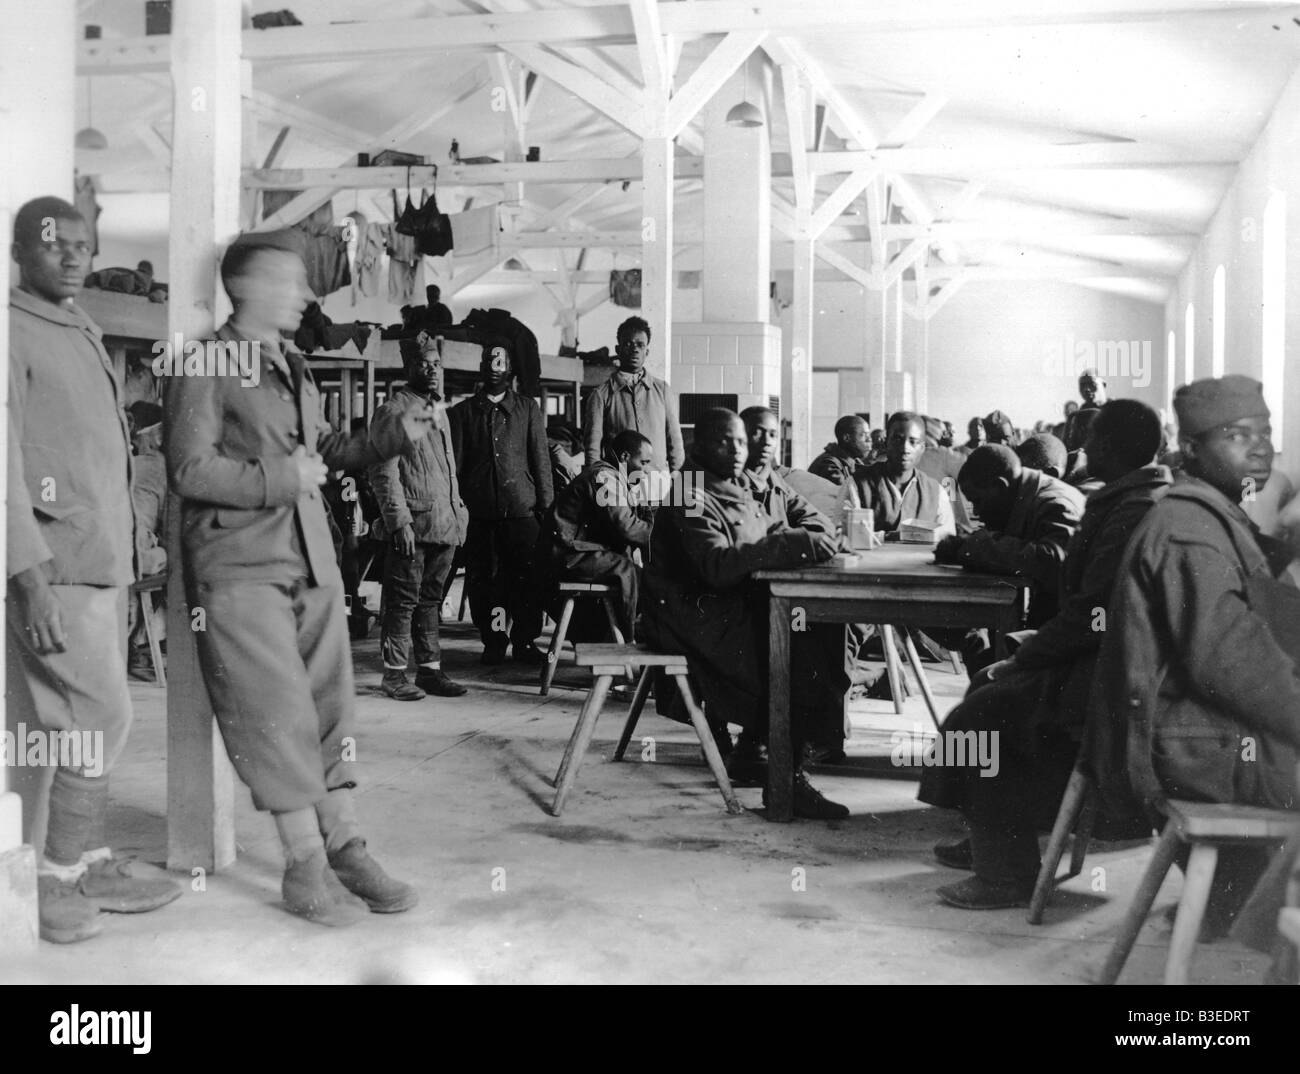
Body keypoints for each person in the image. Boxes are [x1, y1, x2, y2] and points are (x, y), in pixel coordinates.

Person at [166, 234, 435, 926]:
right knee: (274, 709)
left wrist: (391, 435)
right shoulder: (206, 360)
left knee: (327, 705)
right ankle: (301, 862)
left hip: (310, 557)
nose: (306, 296)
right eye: (290, 283)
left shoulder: (289, 361)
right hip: (240, 565)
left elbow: (323, 455)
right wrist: (278, 480)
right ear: (248, 288)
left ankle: (347, 845)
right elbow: (189, 469)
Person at [8, 196, 183, 944]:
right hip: (57, 568)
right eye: (57, 246)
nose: (74, 257)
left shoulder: (76, 324)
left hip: (98, 562)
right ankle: (53, 879)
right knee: (99, 718)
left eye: (83, 245)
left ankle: (93, 859)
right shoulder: (12, 331)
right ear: (20, 251)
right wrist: (27, 575)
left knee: (79, 726)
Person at [918, 400, 1172, 908]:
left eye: (1094, 438)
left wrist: (1030, 657)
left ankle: (1005, 876)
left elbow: (1092, 615)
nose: (1083, 447)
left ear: (1116, 449)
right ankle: (994, 843)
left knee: (979, 716)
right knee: (988, 684)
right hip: (1111, 658)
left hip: (1117, 677)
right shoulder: (1135, 498)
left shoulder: (1132, 511)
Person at [1086, 376, 1300, 935]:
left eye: (1265, 432)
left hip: (1198, 734)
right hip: (1191, 751)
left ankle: (1235, 901)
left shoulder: (1211, 514)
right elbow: (1234, 664)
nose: (1258, 446)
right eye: (1235, 434)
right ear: (1191, 450)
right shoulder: (1189, 530)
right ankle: (1258, 918)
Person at [643, 408, 850, 819]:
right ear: (699, 444)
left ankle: (774, 757)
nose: (737, 450)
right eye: (725, 441)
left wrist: (790, 538)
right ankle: (784, 783)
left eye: (741, 441)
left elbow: (768, 531)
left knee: (820, 632)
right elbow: (716, 566)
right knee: (792, 654)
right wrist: (793, 544)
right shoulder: (689, 489)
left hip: (729, 604)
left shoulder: (735, 482)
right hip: (692, 616)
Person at [369, 333, 469, 701]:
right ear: (408, 366)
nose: (432, 370)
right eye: (424, 363)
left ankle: (429, 671)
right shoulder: (394, 410)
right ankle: (394, 676)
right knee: (402, 602)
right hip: (413, 528)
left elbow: (444, 471)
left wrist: (459, 517)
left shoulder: (433, 410)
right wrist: (399, 522)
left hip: (443, 525)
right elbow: (383, 471)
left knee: (429, 602)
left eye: (437, 364)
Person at [449, 341, 553, 664]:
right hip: (480, 515)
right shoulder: (463, 413)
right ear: (482, 369)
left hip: (522, 511)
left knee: (526, 579)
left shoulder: (528, 409)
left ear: (510, 371)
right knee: (486, 583)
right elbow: (457, 468)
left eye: (501, 364)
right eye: (489, 363)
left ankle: (524, 640)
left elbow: (541, 461)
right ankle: (494, 640)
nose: (495, 369)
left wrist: (547, 509)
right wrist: (460, 509)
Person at [936, 444, 1085, 632]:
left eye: (978, 501)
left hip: (1093, 622)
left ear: (1000, 486)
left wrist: (972, 548)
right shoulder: (1024, 496)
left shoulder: (1055, 503)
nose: (976, 511)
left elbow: (1052, 560)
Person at [541, 429, 654, 642]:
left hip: (574, 552)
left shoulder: (614, 476)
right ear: (625, 457)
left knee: (636, 571)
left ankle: (617, 636)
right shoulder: (604, 478)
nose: (647, 470)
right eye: (644, 462)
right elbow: (626, 527)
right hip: (566, 557)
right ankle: (625, 640)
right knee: (632, 573)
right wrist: (663, 536)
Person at [583, 315, 684, 475]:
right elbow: (593, 448)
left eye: (640, 345)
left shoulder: (662, 390)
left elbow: (675, 442)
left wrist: (678, 480)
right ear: (618, 349)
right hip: (619, 483)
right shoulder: (600, 395)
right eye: (628, 344)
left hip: (657, 481)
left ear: (647, 351)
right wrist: (595, 484)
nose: (634, 349)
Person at [848, 411, 955, 537]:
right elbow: (844, 535)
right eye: (897, 439)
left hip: (922, 557)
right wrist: (892, 537)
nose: (905, 448)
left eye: (913, 442)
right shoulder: (857, 483)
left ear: (922, 448)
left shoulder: (936, 491)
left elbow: (947, 537)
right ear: (886, 443)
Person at [126, 401, 168, 682]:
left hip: (118, 548)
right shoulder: (161, 466)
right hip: (140, 553)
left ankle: (140, 644)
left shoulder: (125, 462)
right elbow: (169, 523)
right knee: (181, 562)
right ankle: (142, 646)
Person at [808, 415, 871, 486]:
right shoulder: (828, 464)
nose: (869, 439)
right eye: (864, 435)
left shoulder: (854, 461)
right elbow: (848, 493)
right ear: (847, 438)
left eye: (869, 435)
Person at [1062, 370, 1107, 452]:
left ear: (1103, 385)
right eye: (1082, 385)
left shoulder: (1115, 409)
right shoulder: (1077, 415)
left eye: (1091, 384)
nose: (1086, 389)